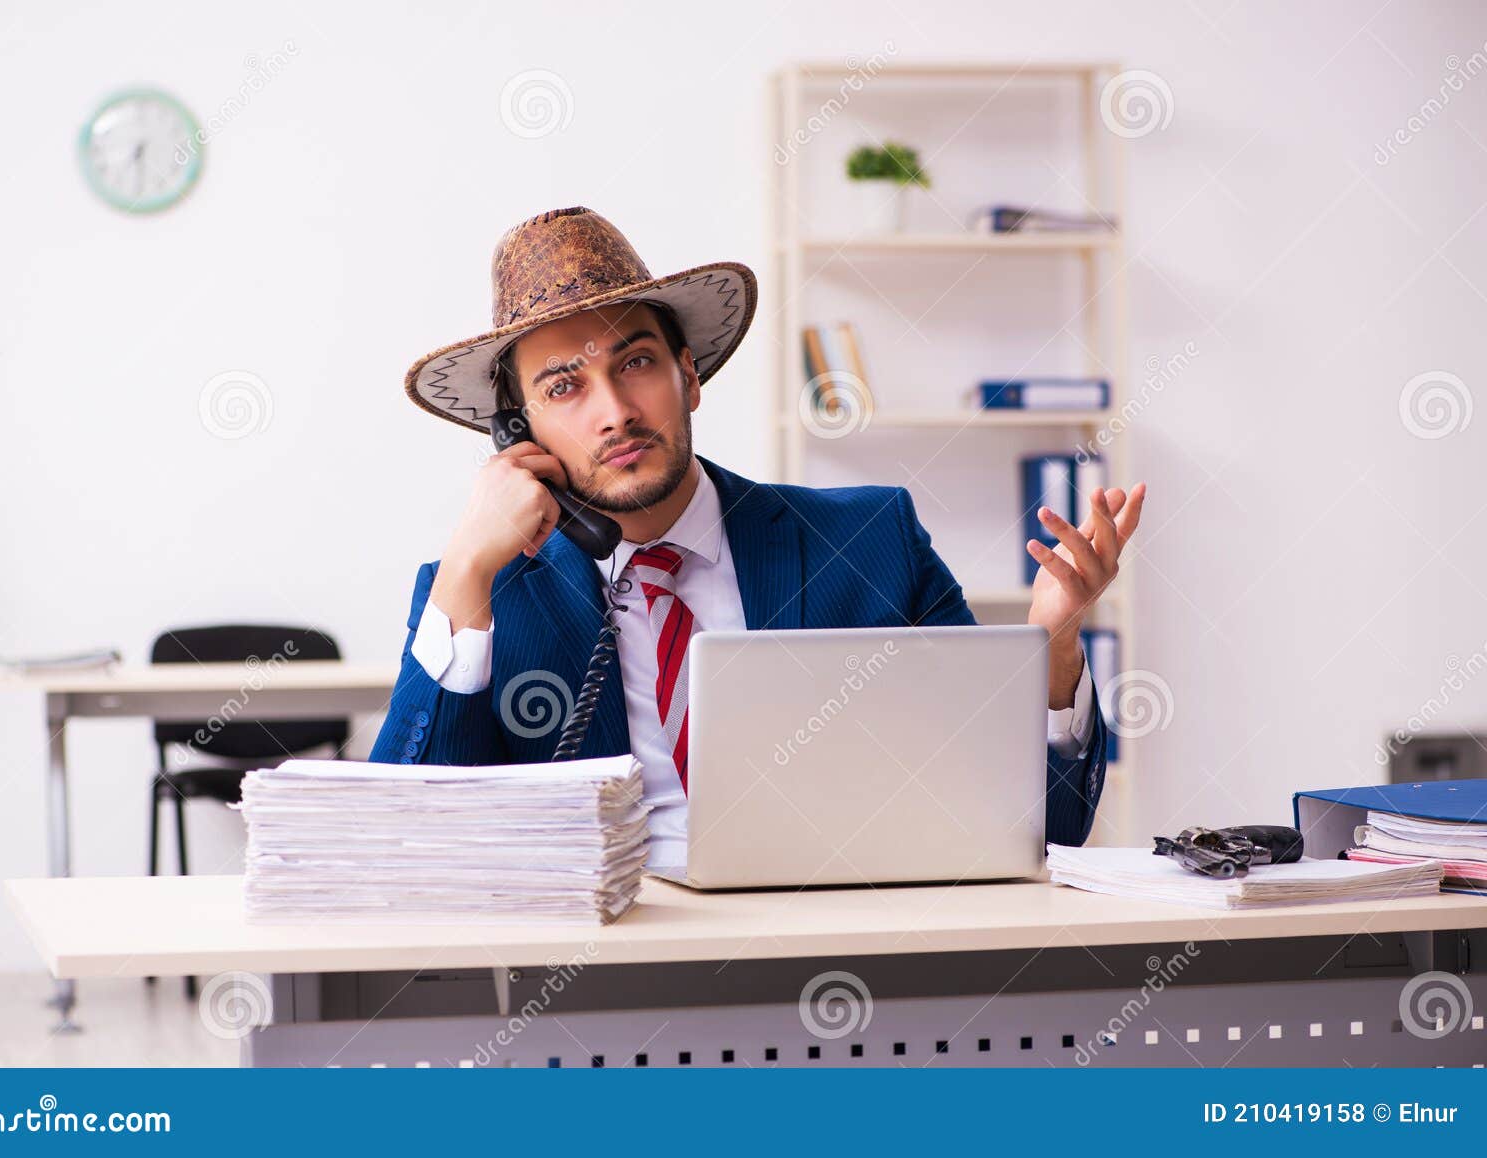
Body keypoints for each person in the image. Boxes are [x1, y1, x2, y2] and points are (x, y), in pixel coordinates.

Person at [372, 206, 1145, 861]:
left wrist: (1051, 651)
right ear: (520, 432)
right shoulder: (478, 597)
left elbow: (1044, 831)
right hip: (604, 988)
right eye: (564, 386)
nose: (613, 411)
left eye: (635, 362)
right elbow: (404, 851)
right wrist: (468, 571)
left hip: (847, 968)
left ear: (689, 377)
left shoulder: (874, 542)